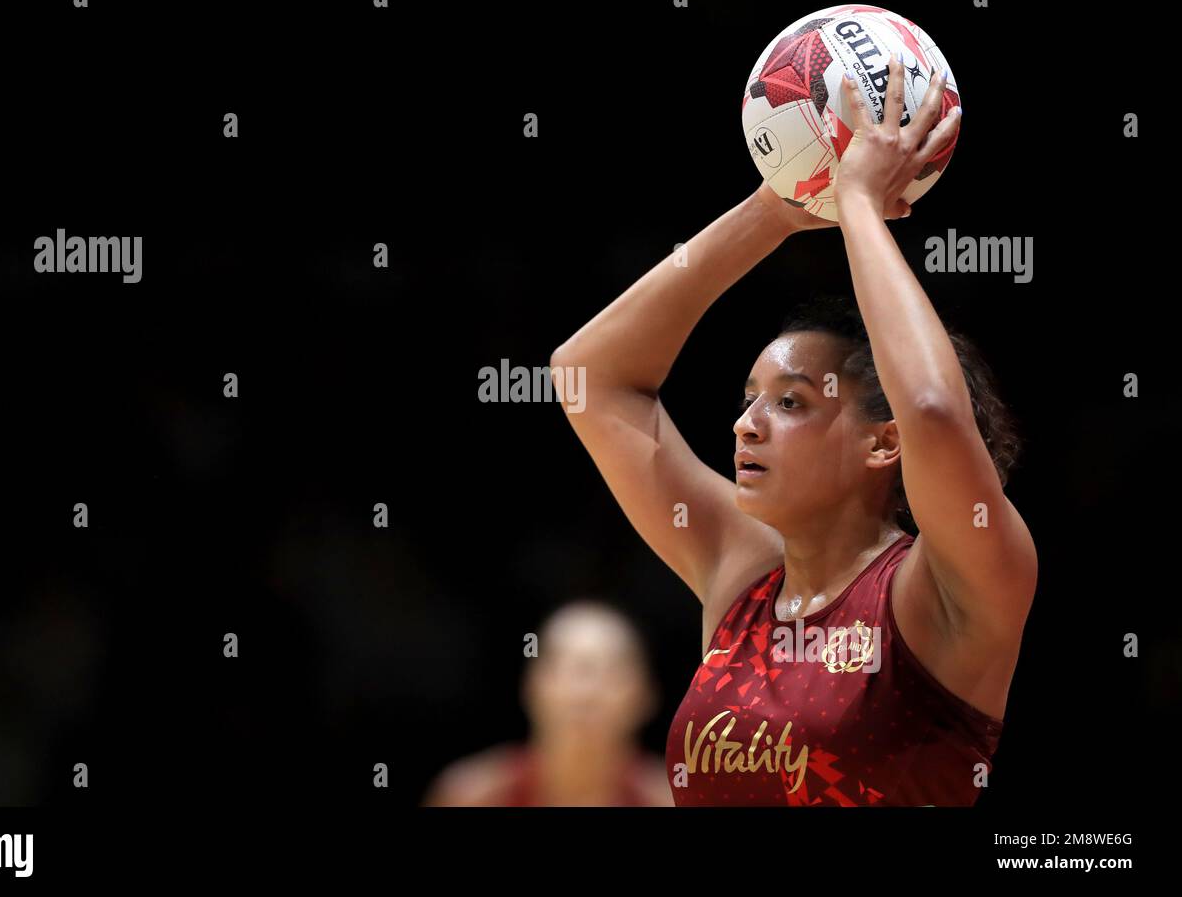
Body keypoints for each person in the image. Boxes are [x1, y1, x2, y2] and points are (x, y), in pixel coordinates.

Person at [549, 57, 1036, 805]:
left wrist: (862, 206)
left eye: (792, 401)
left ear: (883, 440)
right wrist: (776, 207)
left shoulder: (949, 584)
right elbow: (588, 377)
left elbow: (935, 409)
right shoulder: (742, 572)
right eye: (750, 398)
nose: (745, 424)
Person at [423, 601, 673, 806]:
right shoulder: (470, 796)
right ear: (530, 686)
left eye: (611, 672)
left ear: (647, 696)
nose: (585, 693)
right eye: (565, 668)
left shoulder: (673, 801)